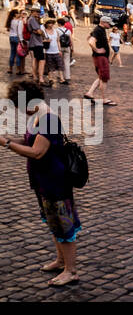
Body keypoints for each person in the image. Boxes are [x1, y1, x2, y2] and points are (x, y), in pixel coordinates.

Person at [1, 79, 82, 286]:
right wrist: (7, 139)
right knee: (53, 221)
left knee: (63, 225)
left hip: (56, 181)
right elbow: (29, 142)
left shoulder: (47, 120)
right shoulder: (37, 117)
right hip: (43, 181)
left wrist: (8, 143)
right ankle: (61, 260)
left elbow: (37, 152)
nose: (19, 111)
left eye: (18, 106)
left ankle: (71, 270)